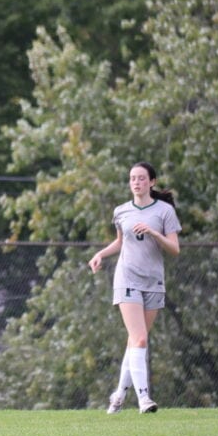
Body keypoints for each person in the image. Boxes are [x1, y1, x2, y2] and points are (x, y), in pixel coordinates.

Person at [88, 161, 181, 414]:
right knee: (139, 338)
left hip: (153, 281)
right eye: (132, 178)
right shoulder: (121, 211)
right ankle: (144, 399)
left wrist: (153, 232)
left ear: (151, 182)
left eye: (141, 178)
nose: (136, 182)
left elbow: (174, 249)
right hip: (127, 278)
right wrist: (101, 254)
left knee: (135, 342)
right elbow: (120, 242)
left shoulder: (164, 211)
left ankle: (118, 395)